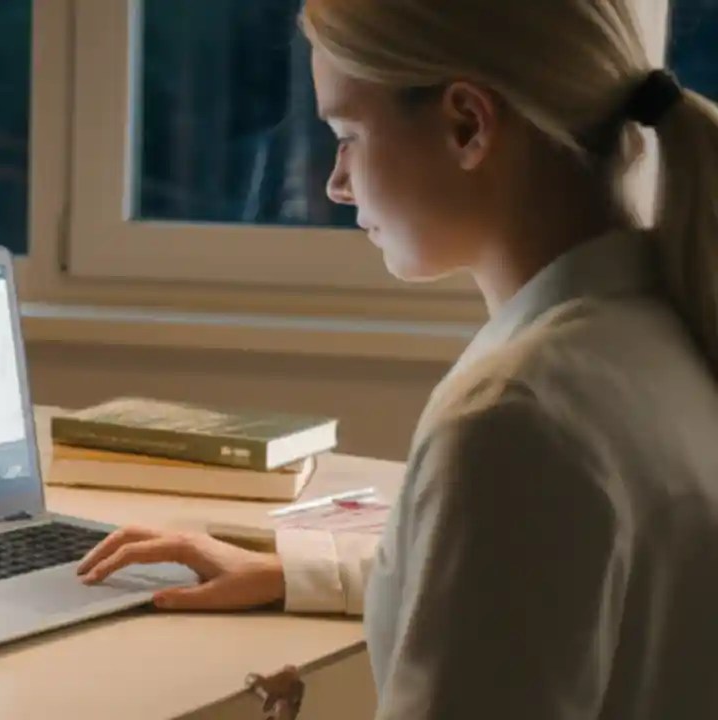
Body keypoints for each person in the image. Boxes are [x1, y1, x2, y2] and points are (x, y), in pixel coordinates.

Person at [78, 1, 718, 717]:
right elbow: (536, 576)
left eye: (347, 135)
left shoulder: (513, 418)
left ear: (467, 125)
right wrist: (290, 571)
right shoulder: (663, 330)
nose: (336, 182)